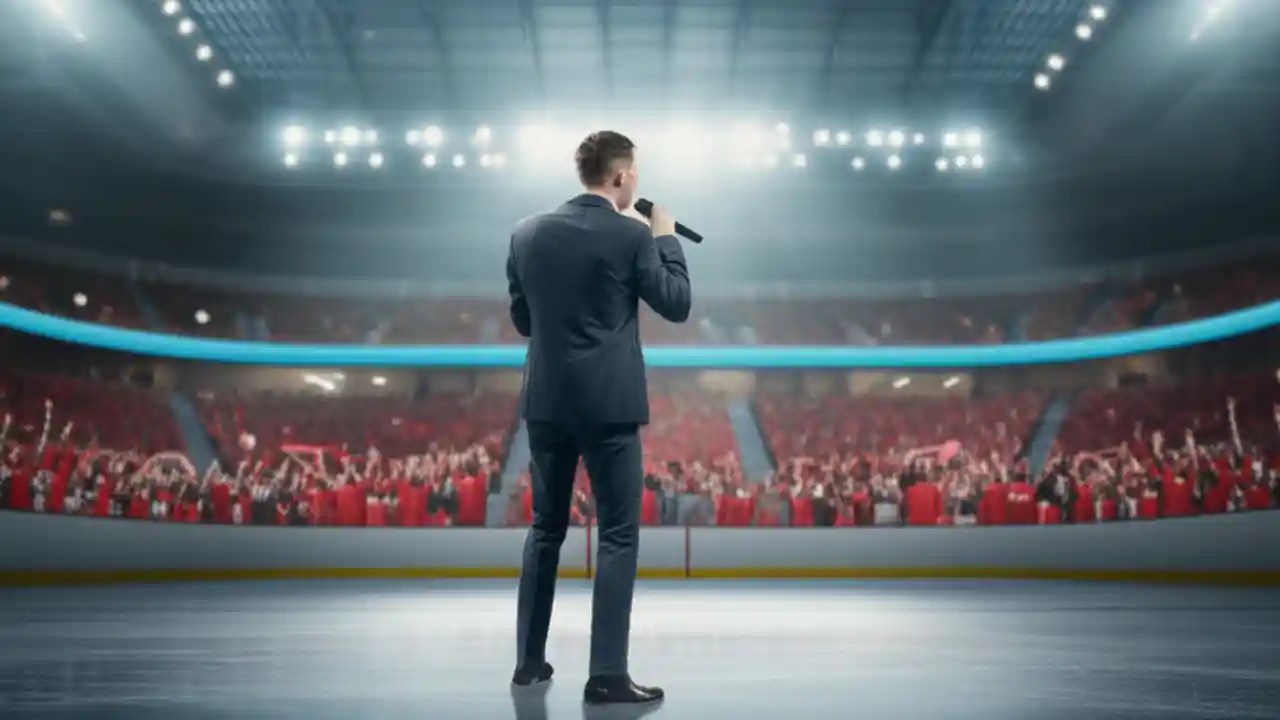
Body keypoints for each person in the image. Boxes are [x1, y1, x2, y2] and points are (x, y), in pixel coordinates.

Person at [507, 130, 690, 706]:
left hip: (546, 403)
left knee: (545, 531)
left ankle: (529, 664)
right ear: (620, 176)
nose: (635, 181)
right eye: (635, 172)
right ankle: (607, 674)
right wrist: (664, 236)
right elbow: (677, 303)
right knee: (616, 534)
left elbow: (523, 321)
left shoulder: (525, 232)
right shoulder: (634, 235)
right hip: (609, 405)